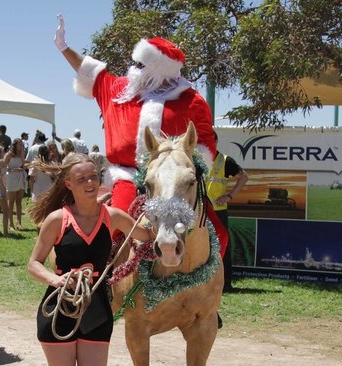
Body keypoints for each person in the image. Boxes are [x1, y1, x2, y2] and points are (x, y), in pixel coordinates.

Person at [27, 153, 153, 366]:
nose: (90, 182)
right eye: (81, 179)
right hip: (59, 314)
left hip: (96, 311)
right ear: (68, 185)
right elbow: (33, 264)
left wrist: (155, 204)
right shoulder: (57, 219)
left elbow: (146, 234)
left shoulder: (112, 215)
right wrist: (56, 280)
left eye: (94, 176)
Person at [54, 15, 227, 253]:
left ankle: (208, 286)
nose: (133, 69)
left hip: (173, 178)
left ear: (158, 70)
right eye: (136, 63)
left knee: (218, 234)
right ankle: (103, 287)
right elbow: (89, 71)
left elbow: (206, 142)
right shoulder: (118, 91)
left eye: (141, 65)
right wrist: (64, 47)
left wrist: (185, 166)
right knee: (114, 235)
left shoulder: (191, 100)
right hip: (127, 177)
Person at [207, 134, 249, 292]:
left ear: (216, 142)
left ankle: (225, 284)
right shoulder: (196, 159)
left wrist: (229, 196)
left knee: (222, 247)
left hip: (218, 212)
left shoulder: (225, 161)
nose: (208, 144)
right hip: (199, 212)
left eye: (211, 141)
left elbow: (244, 177)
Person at [4, 138, 27, 230]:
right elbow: (4, 166)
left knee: (19, 201)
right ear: (15, 145)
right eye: (20, 144)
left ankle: (19, 223)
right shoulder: (9, 154)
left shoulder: (22, 153)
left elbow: (24, 165)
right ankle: (11, 224)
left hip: (20, 177)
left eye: (22, 144)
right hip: (11, 178)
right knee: (11, 202)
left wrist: (22, 158)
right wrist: (13, 169)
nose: (21, 146)